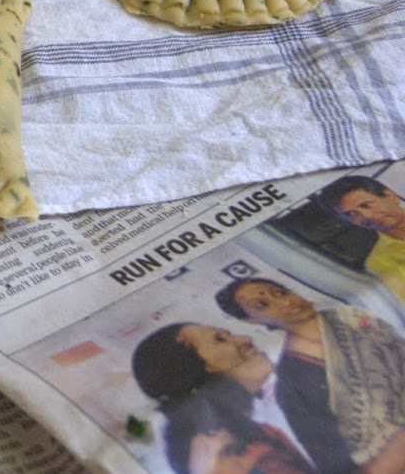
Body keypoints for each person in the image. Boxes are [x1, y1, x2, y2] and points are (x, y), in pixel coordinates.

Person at [217, 277, 405, 473]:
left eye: (281, 292)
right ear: (252, 320)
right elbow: (336, 464)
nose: (286, 302)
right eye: (263, 304)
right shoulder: (292, 384)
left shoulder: (353, 317)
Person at [133, 322, 316, 473]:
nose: (247, 339)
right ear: (192, 371)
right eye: (220, 340)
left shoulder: (263, 431)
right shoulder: (217, 453)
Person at [317, 177, 405, 305]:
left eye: (366, 205)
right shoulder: (378, 264)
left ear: (391, 196)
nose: (366, 216)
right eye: (351, 214)